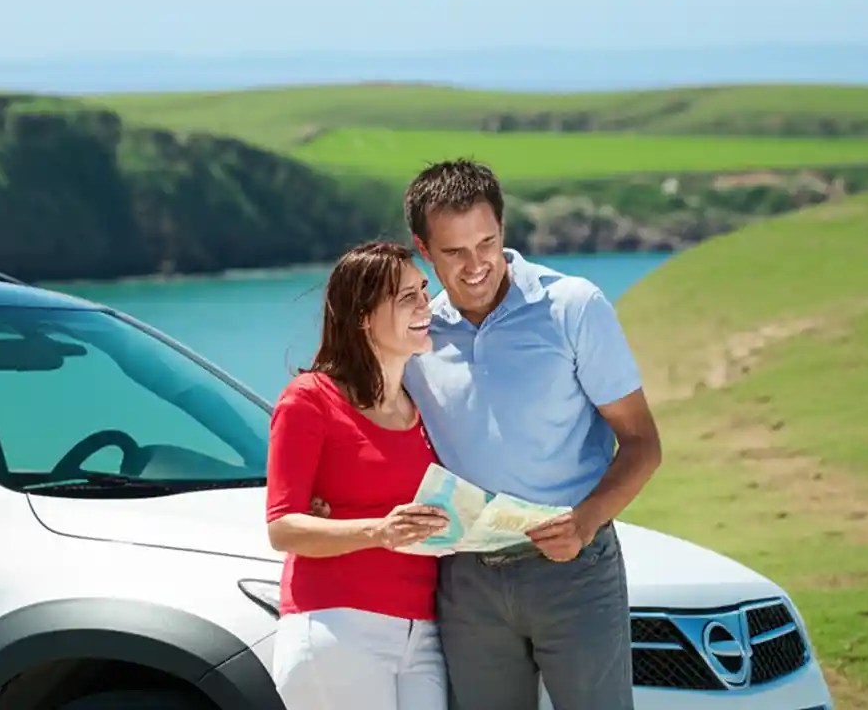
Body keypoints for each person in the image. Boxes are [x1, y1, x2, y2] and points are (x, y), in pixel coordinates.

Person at [400, 159, 663, 710]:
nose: (477, 265)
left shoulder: (573, 307)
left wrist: (586, 523)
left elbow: (642, 443)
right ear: (424, 250)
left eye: (487, 243)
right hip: (465, 579)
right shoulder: (417, 335)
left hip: (575, 571)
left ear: (503, 230)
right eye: (454, 252)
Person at [265, 240, 453, 710]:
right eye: (405, 296)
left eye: (423, 290)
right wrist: (379, 530)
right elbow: (283, 526)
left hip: (422, 632)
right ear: (363, 317)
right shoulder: (309, 400)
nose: (424, 304)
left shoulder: (423, 407)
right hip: (337, 626)